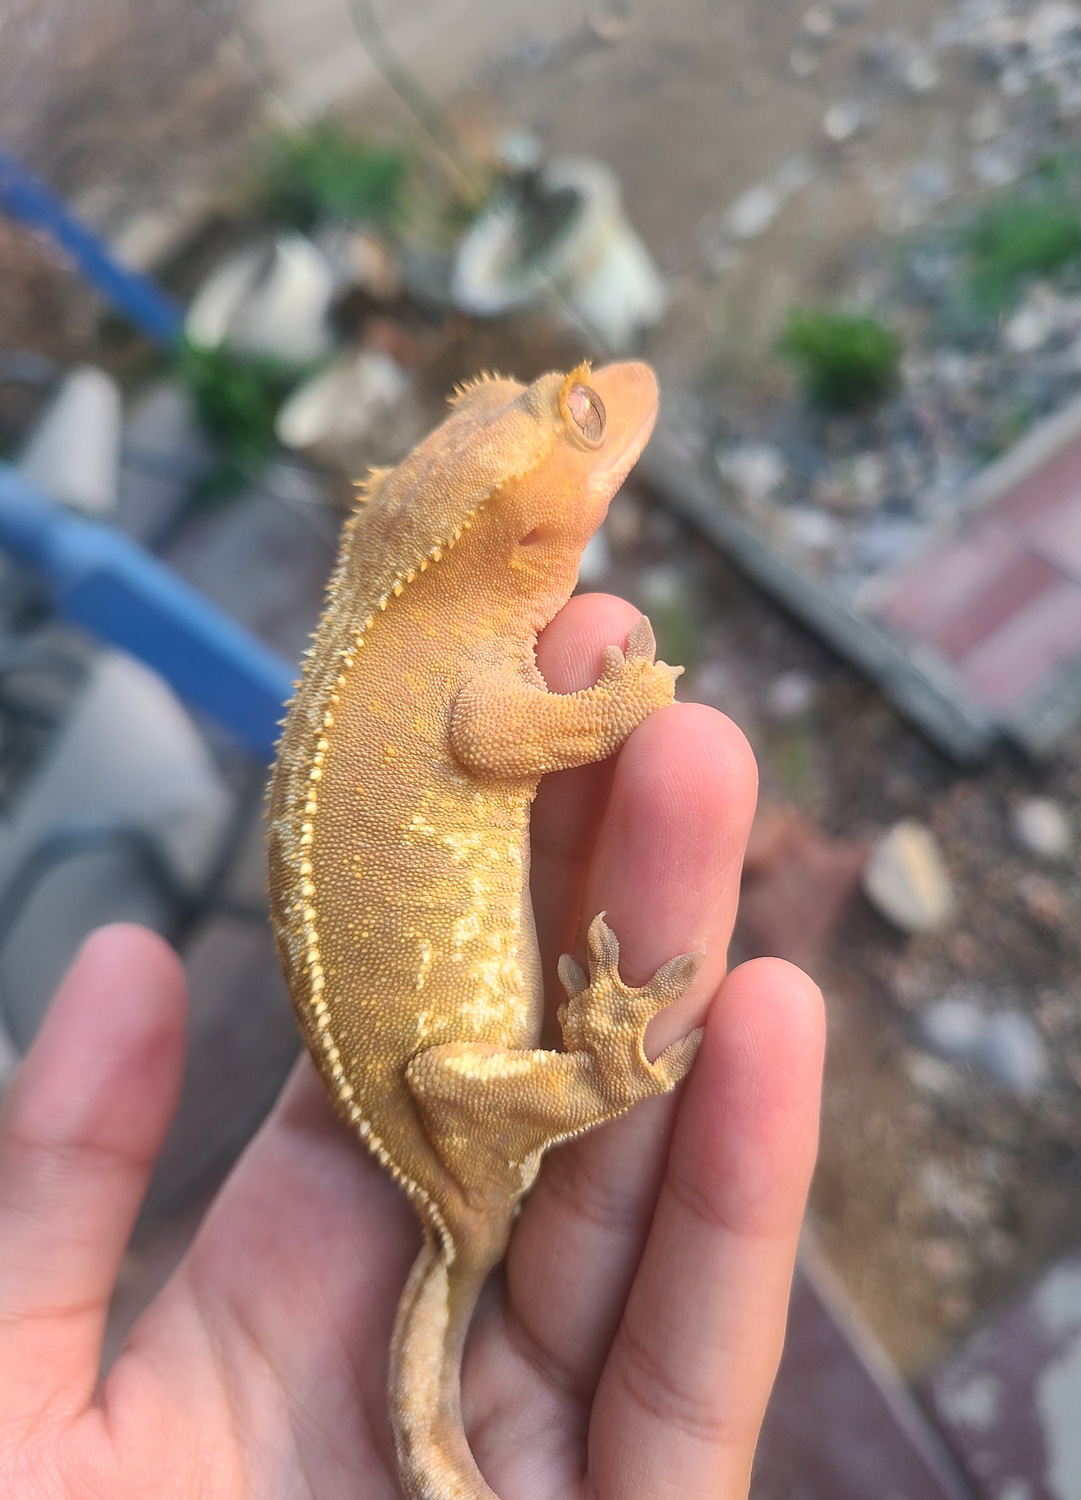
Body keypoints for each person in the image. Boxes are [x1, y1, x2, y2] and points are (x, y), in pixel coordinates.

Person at [0, 594, 824, 1498]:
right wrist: (609, 711)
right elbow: (490, 742)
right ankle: (600, 1081)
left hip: (441, 1122)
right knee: (451, 1078)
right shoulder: (433, 651)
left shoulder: (428, 644)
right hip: (456, 1125)